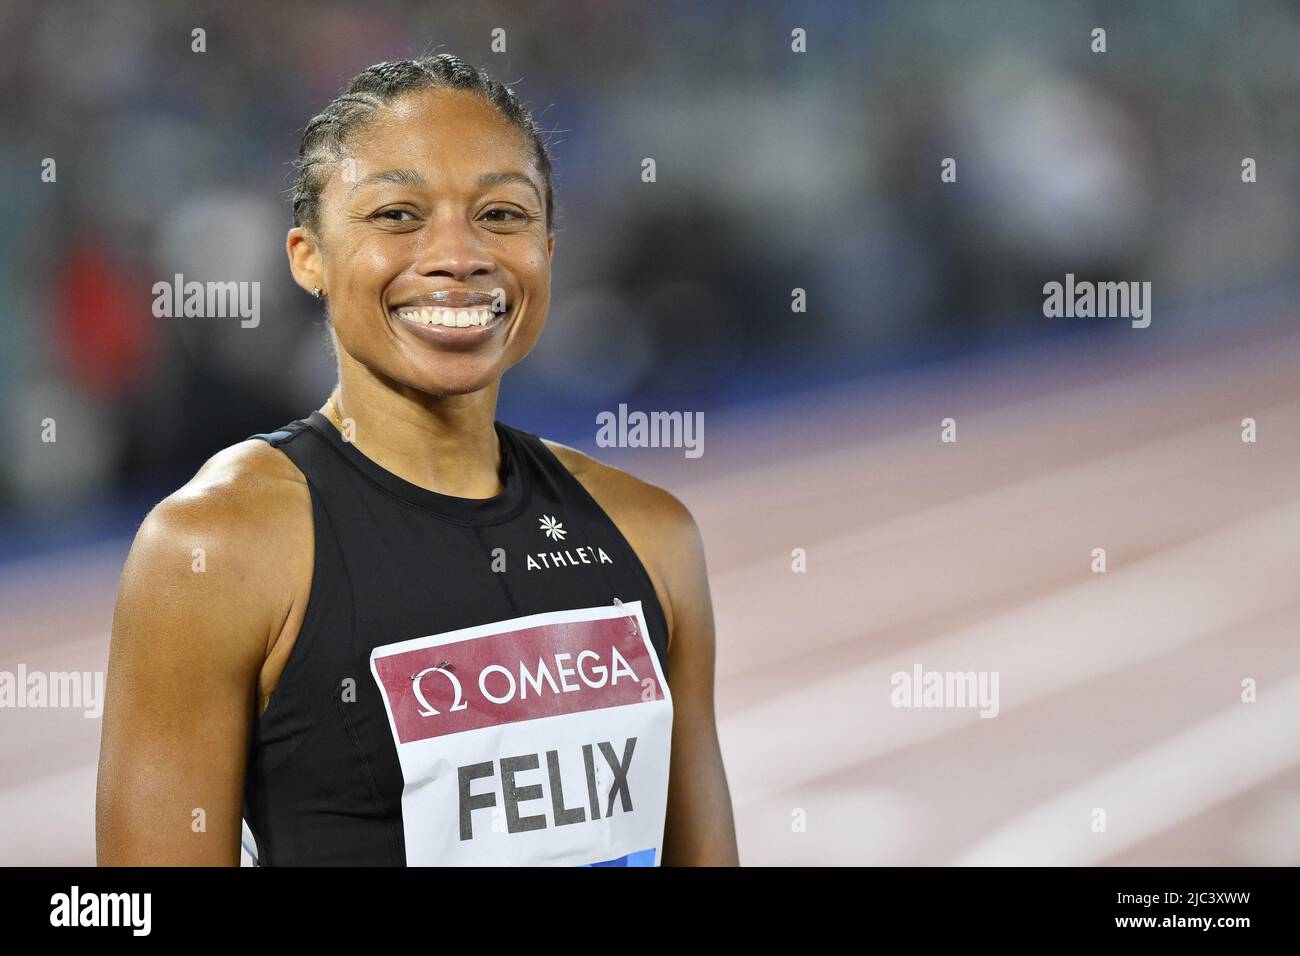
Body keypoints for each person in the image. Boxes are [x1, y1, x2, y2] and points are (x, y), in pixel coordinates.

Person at [95, 54, 738, 866]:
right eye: (397, 214)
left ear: (547, 248)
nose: (458, 254)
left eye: (502, 213)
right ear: (308, 256)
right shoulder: (215, 550)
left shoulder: (651, 535)